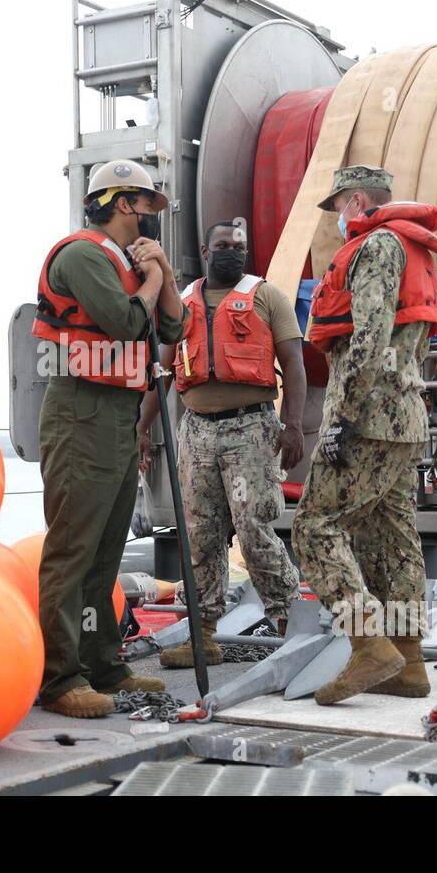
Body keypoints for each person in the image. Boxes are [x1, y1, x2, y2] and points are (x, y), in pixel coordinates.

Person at [291, 165, 437, 705]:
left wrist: (338, 418)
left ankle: (368, 645)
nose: (337, 219)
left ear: (356, 199)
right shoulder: (416, 252)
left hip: (368, 417)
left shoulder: (377, 245)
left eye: (338, 206)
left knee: (315, 527)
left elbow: (368, 337)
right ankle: (408, 660)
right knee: (395, 538)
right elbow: (420, 345)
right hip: (405, 419)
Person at [31, 159, 185, 719]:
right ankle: (60, 678)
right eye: (147, 205)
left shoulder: (129, 261)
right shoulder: (81, 255)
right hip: (80, 415)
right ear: (124, 204)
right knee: (73, 549)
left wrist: (162, 270)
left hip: (119, 417)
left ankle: (103, 664)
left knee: (105, 553)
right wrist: (149, 279)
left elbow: (174, 328)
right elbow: (123, 322)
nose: (151, 218)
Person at [136, 219, 307, 668]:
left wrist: (292, 427)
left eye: (239, 245)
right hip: (197, 430)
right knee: (200, 535)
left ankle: (293, 626)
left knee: (254, 530)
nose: (232, 251)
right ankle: (203, 634)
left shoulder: (267, 296)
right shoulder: (183, 302)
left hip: (251, 430)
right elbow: (164, 372)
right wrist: (142, 429)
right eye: (223, 245)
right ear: (204, 250)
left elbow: (293, 361)